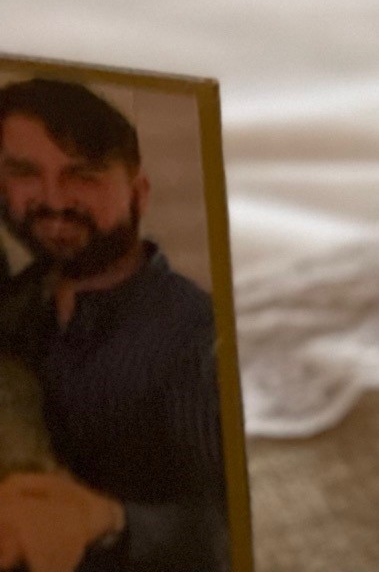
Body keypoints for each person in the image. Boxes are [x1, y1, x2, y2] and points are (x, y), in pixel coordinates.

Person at [0, 79, 229, 572]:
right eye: (24, 172)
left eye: (82, 176)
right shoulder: (12, 308)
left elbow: (229, 533)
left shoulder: (196, 336)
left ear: (138, 193)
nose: (52, 199)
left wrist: (107, 520)